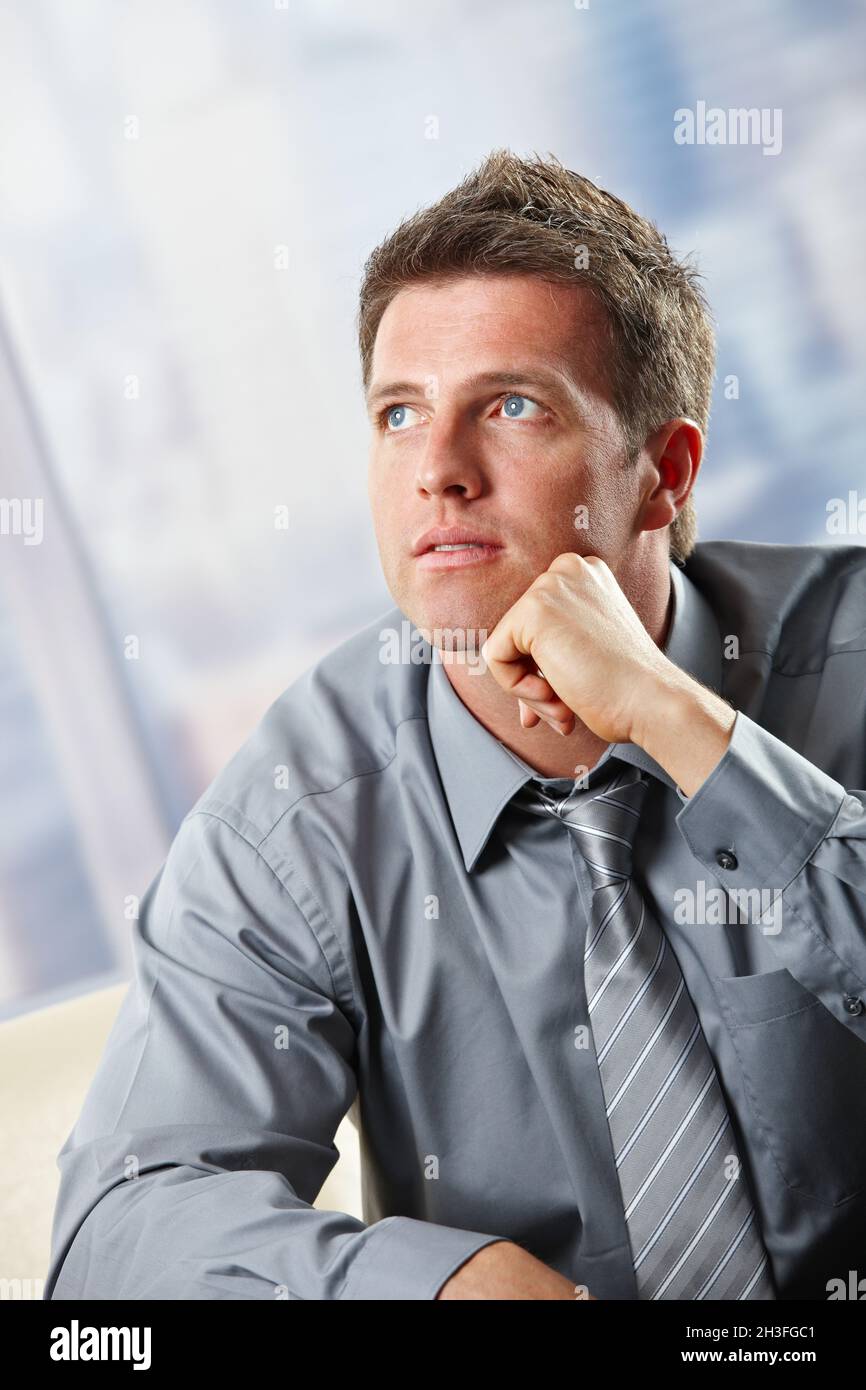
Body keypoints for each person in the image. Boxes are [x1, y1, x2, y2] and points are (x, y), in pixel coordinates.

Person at [45, 149, 866, 1301]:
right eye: (397, 414)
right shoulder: (307, 808)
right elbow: (121, 1231)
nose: (436, 470)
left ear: (663, 473)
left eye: (511, 406)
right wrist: (428, 1286)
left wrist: (688, 731)